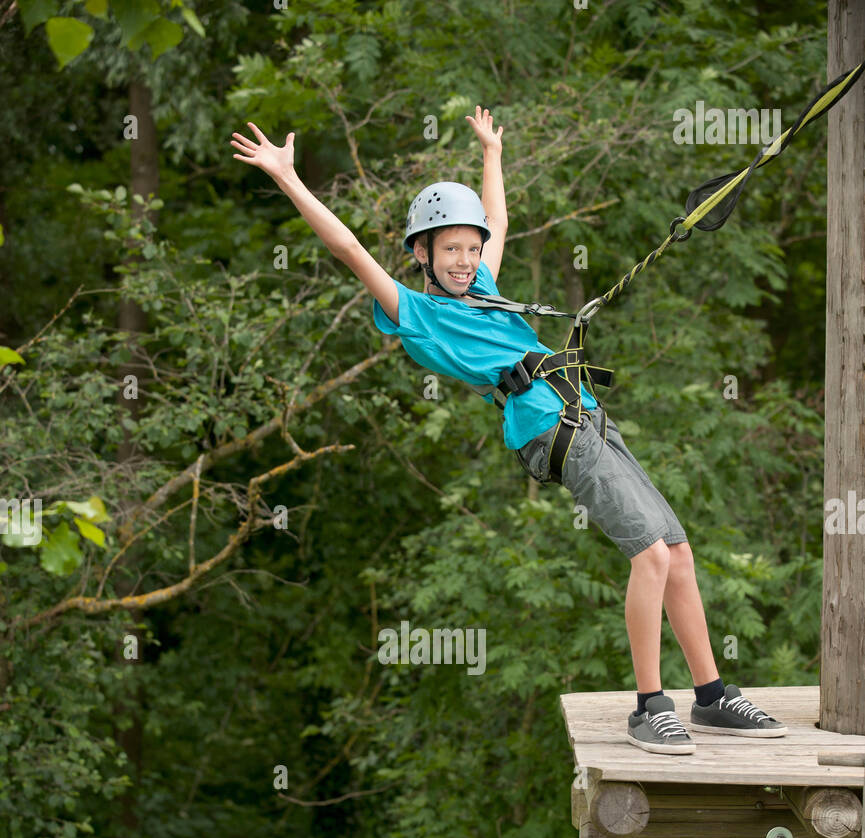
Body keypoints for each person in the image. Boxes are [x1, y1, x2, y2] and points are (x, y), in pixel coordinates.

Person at [230, 108, 788, 753]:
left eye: (472, 248)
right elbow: (347, 248)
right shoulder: (414, 313)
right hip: (549, 426)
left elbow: (499, 223)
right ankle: (649, 706)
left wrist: (491, 153)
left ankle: (712, 695)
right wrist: (288, 178)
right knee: (651, 555)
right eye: (452, 250)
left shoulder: (484, 287)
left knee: (677, 550)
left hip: (583, 411)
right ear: (421, 255)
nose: (468, 260)